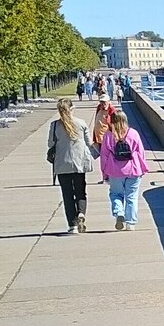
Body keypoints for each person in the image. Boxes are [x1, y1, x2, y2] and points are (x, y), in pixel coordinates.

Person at [47, 97, 96, 234]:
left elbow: (50, 144)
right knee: (80, 191)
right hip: (79, 163)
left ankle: (72, 225)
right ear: (72, 109)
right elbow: (88, 142)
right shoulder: (81, 123)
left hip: (62, 164)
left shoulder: (55, 125)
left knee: (67, 195)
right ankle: (81, 213)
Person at [99, 109, 149, 231]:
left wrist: (104, 173)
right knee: (131, 196)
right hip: (133, 169)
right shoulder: (133, 133)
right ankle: (130, 223)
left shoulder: (108, 135)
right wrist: (142, 168)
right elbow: (141, 152)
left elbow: (104, 155)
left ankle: (119, 213)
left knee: (116, 194)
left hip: (114, 170)